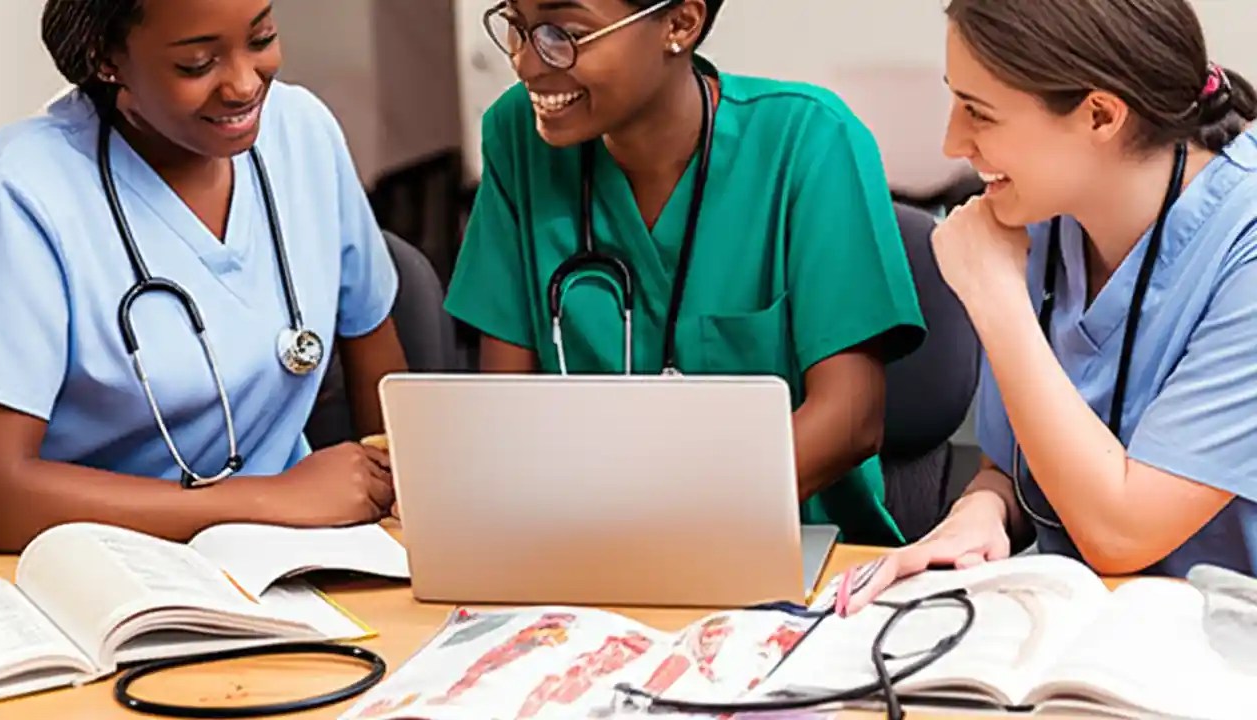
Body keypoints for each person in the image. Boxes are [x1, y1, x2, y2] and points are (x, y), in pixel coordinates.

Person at [443, 0, 927, 546]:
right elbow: (504, 415)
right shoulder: (518, 136)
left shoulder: (808, 142)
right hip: (578, 559)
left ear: (680, 24)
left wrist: (652, 535)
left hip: (791, 553)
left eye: (564, 33)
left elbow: (851, 419)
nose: (528, 64)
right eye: (518, 27)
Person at [837, 0, 1257, 614]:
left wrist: (995, 296)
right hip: (1079, 627)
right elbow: (1013, 465)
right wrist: (983, 509)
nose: (954, 142)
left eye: (980, 113)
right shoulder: (1044, 210)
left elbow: (1121, 535)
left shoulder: (1241, 244)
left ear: (1100, 115)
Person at [0, 0, 408, 552]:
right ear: (105, 58)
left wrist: (398, 523)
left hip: (290, 561)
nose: (244, 84)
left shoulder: (302, 134)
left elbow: (383, 384)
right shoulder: (24, 190)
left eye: (261, 39)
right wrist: (262, 500)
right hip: (98, 567)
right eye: (198, 64)